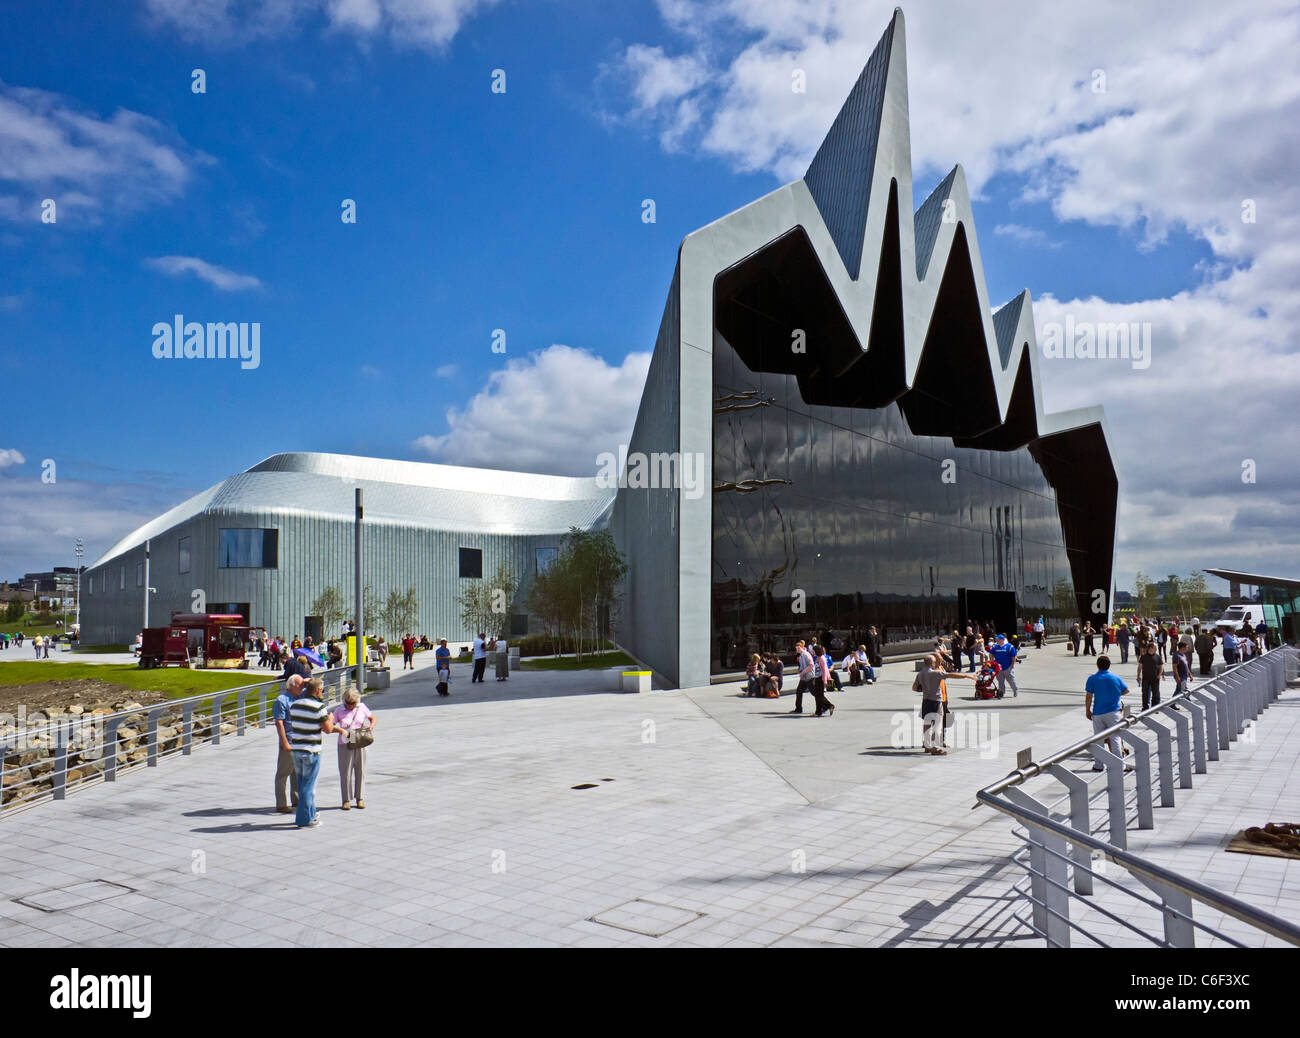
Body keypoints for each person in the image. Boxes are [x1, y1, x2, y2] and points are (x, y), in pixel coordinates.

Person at [288, 677, 337, 828]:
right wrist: (330, 718)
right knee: (308, 786)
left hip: (296, 749)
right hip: (311, 750)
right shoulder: (319, 707)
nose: (322, 692)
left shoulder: (294, 705)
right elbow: (328, 729)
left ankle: (311, 813)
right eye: (322, 689)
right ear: (317, 690)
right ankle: (304, 819)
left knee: (302, 784)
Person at [914, 653, 974, 755]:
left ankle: (927, 746)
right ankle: (935, 748)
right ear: (933, 663)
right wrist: (967, 675)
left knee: (927, 725)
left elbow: (914, 688)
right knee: (937, 725)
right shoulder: (936, 673)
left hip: (925, 701)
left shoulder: (920, 674)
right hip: (936, 701)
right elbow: (952, 675)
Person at [1084, 655, 1129, 772]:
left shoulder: (1092, 679)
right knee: (1115, 738)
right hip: (1114, 712)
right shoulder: (1116, 678)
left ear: (1097, 665)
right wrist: (1115, 695)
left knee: (1098, 740)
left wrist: (1088, 710)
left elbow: (1089, 696)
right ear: (1109, 665)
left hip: (1098, 713)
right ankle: (1119, 765)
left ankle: (1098, 765)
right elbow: (1126, 690)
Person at [333, 687, 375, 810]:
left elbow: (372, 718)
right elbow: (330, 726)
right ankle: (345, 800)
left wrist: (371, 726)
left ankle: (360, 798)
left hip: (360, 741)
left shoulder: (361, 707)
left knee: (360, 770)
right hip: (345, 742)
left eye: (353, 703)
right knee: (345, 772)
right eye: (348, 703)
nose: (351, 706)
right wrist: (340, 730)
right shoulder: (338, 710)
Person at [273, 674, 304, 814]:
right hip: (289, 741)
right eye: (300, 685)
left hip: (300, 741)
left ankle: (296, 800)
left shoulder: (301, 697)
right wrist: (284, 742)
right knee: (283, 773)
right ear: (291, 685)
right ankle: (281, 803)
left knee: (297, 773)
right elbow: (279, 723)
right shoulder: (282, 700)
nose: (302, 687)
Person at [989, 634, 1019, 698]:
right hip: (998, 667)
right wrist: (992, 662)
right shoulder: (995, 646)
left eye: (998, 639)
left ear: (1002, 640)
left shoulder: (1009, 646)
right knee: (1000, 681)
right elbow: (991, 654)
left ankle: (1015, 690)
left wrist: (1012, 665)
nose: (996, 640)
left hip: (1007, 667)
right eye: (996, 639)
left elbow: (1014, 656)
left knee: (1011, 680)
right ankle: (1002, 692)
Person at [1137, 640, 1163, 710]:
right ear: (1149, 648)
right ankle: (1145, 706)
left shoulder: (1158, 657)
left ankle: (1155, 707)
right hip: (1146, 678)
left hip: (1155, 678)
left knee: (1155, 693)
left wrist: (1159, 675)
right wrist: (1138, 675)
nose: (1155, 649)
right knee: (1145, 693)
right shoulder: (1143, 657)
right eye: (1154, 648)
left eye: (1155, 648)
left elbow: (1161, 666)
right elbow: (1140, 666)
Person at [790, 640, 815, 714]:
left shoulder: (806, 654)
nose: (797, 650)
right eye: (796, 648)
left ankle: (827, 705)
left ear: (802, 648)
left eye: (798, 648)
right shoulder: (800, 656)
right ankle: (798, 708)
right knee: (799, 691)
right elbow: (802, 666)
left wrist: (803, 672)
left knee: (814, 692)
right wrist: (800, 671)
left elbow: (811, 665)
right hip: (804, 677)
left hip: (809, 677)